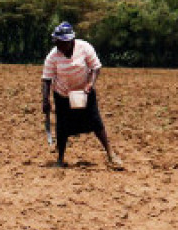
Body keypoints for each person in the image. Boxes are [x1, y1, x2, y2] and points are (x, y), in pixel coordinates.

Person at [41, 22, 123, 170]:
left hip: (84, 92)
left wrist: (90, 84)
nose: (58, 45)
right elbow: (46, 79)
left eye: (61, 42)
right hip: (62, 95)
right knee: (62, 127)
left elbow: (95, 67)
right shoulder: (53, 56)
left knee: (96, 122)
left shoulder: (85, 48)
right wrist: (45, 100)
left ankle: (111, 154)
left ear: (70, 41)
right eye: (57, 42)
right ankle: (60, 159)